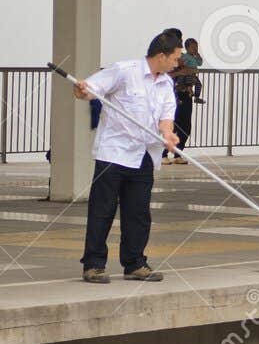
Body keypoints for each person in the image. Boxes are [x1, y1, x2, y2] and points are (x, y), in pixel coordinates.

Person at [75, 32, 182, 284]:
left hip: (144, 154)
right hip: (114, 152)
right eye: (175, 59)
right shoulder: (125, 71)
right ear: (161, 56)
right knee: (102, 210)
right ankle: (93, 265)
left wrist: (168, 135)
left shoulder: (166, 83)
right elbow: (89, 90)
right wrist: (81, 89)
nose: (177, 64)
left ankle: (135, 263)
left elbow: (167, 115)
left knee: (138, 212)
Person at [170, 38, 203, 162]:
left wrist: (191, 71)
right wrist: (184, 71)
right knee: (175, 124)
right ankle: (164, 153)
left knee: (186, 126)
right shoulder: (180, 58)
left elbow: (198, 65)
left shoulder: (191, 58)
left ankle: (178, 153)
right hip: (177, 94)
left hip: (186, 94)